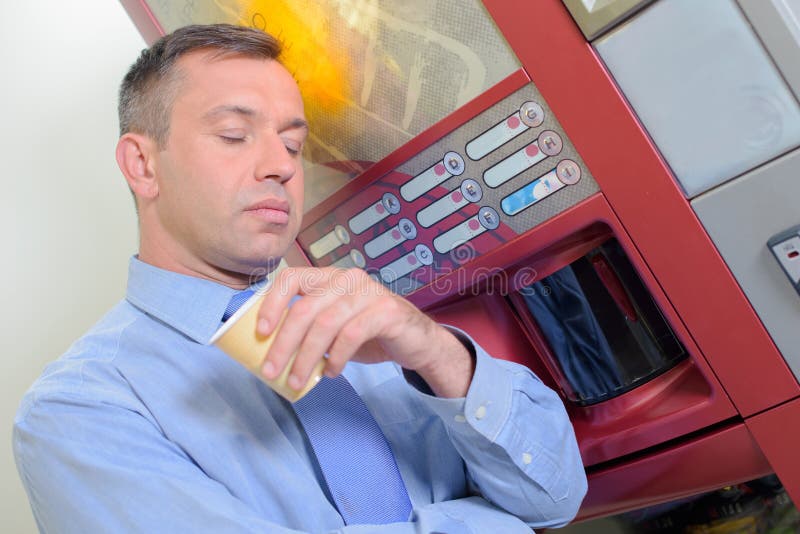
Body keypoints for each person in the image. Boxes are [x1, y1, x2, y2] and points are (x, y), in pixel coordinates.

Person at [13, 23, 587, 533]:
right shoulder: (79, 411)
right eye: (234, 135)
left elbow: (555, 498)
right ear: (143, 165)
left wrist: (436, 352)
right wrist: (494, 522)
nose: (282, 165)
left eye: (292, 144)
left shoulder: (366, 324)